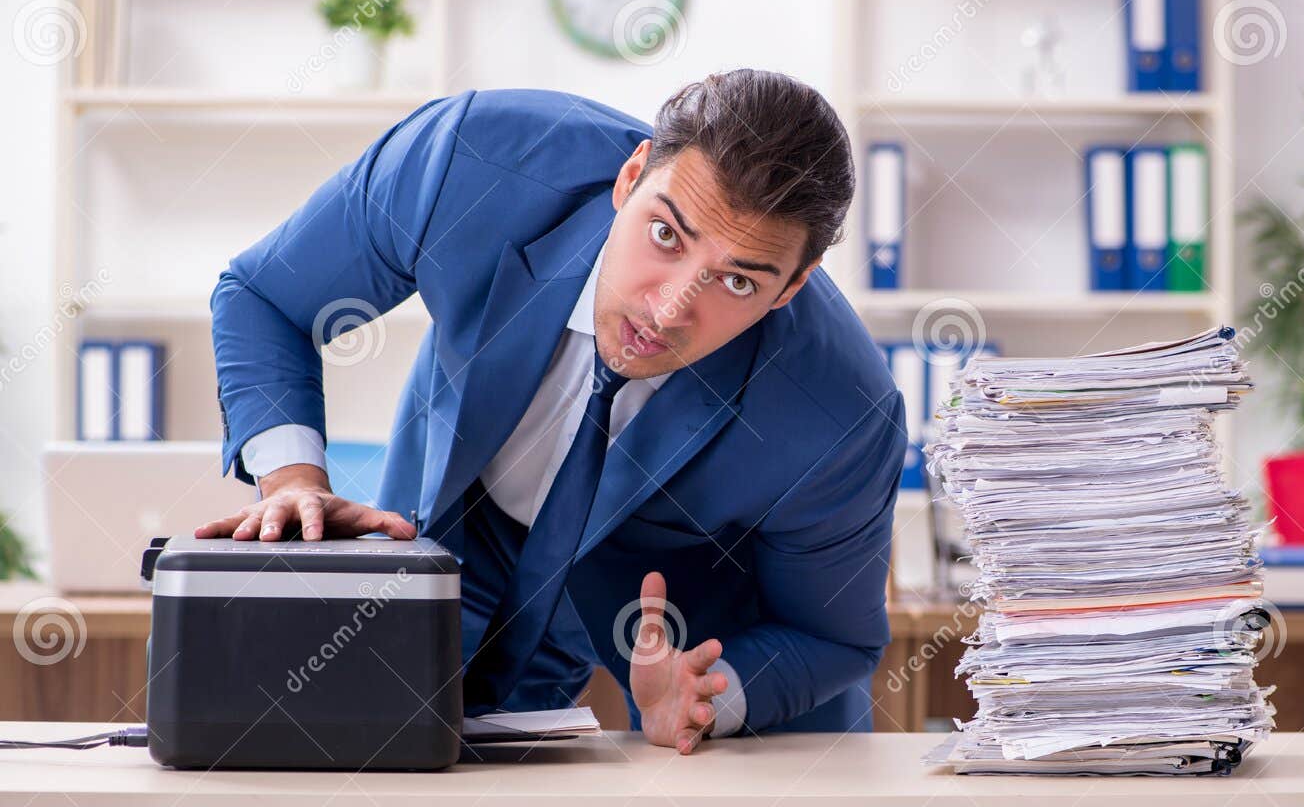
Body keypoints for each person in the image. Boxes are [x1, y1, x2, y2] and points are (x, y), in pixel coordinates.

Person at [198, 69, 906, 754]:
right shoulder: (472, 164)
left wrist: (711, 697)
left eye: (737, 280)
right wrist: (294, 483)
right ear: (630, 178)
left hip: (691, 611)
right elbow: (265, 296)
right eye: (666, 235)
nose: (669, 310)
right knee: (391, 783)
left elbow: (833, 635)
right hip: (465, 522)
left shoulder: (840, 411)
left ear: (791, 288)